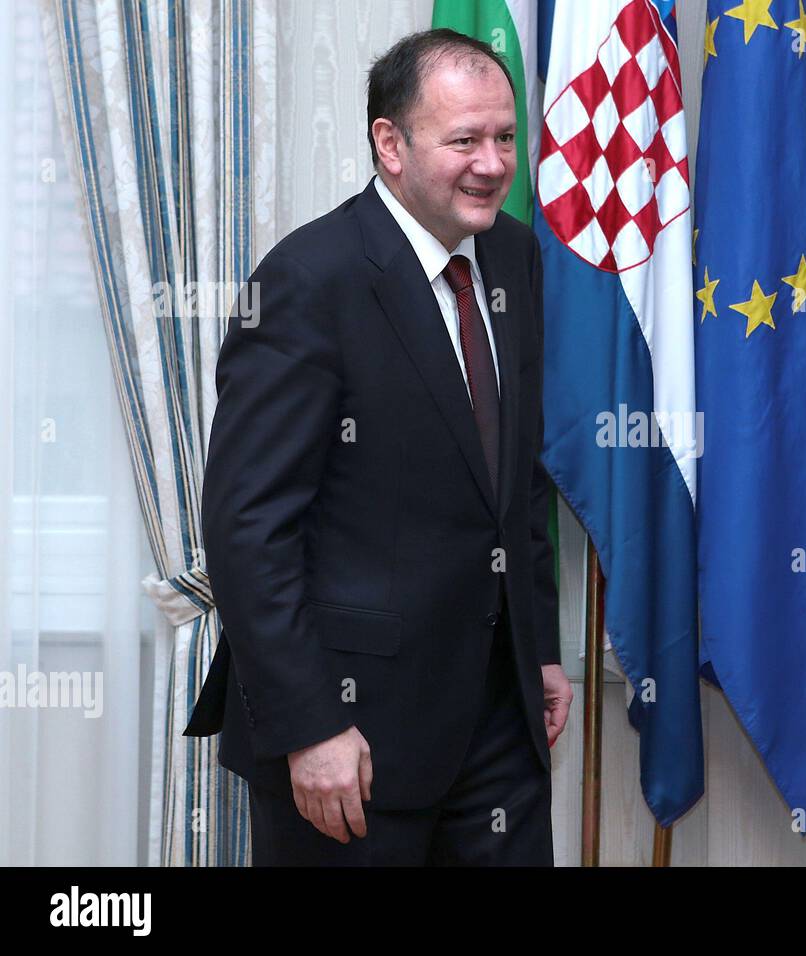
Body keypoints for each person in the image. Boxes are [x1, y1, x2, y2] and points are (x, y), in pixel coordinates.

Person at [184, 29, 572, 866]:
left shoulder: (513, 256)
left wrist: (537, 646)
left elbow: (514, 475)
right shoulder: (307, 281)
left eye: (506, 137)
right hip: (351, 739)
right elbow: (249, 528)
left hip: (501, 724)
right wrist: (310, 724)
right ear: (389, 144)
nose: (493, 163)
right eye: (464, 139)